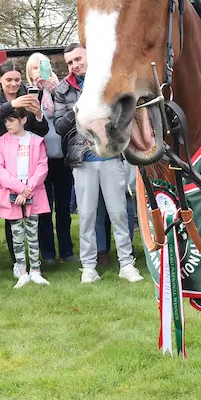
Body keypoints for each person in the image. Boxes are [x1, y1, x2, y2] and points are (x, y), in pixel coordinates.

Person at [53, 44, 142, 284]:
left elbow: (125, 113)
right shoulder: (63, 90)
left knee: (119, 213)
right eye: (70, 62)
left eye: (78, 59)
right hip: (82, 160)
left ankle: (127, 264)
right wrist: (80, 105)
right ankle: (89, 267)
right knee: (87, 216)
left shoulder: (109, 81)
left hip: (111, 155)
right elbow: (60, 126)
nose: (75, 65)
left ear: (88, 56)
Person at [0, 61, 49, 267]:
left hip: (29, 159)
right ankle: (16, 262)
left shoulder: (29, 95)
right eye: (8, 80)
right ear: (0, 79)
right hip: (4, 161)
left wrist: (37, 114)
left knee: (36, 215)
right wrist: (12, 105)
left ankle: (40, 260)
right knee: (11, 216)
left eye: (17, 80)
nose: (13, 84)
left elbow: (42, 130)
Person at [0, 107, 52, 288]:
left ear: (23, 120)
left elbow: (42, 167)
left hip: (33, 193)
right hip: (12, 194)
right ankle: (22, 272)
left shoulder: (36, 141)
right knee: (17, 234)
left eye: (12, 120)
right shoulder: (1, 142)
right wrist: (19, 189)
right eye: (6, 121)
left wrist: (28, 190)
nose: (7, 124)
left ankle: (36, 271)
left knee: (33, 233)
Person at [26, 53, 74, 263]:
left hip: (61, 157)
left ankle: (66, 250)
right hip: (39, 160)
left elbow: (68, 115)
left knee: (63, 208)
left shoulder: (61, 90)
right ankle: (47, 253)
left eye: (42, 66)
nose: (39, 71)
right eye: (34, 68)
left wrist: (55, 91)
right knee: (43, 208)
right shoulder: (27, 93)